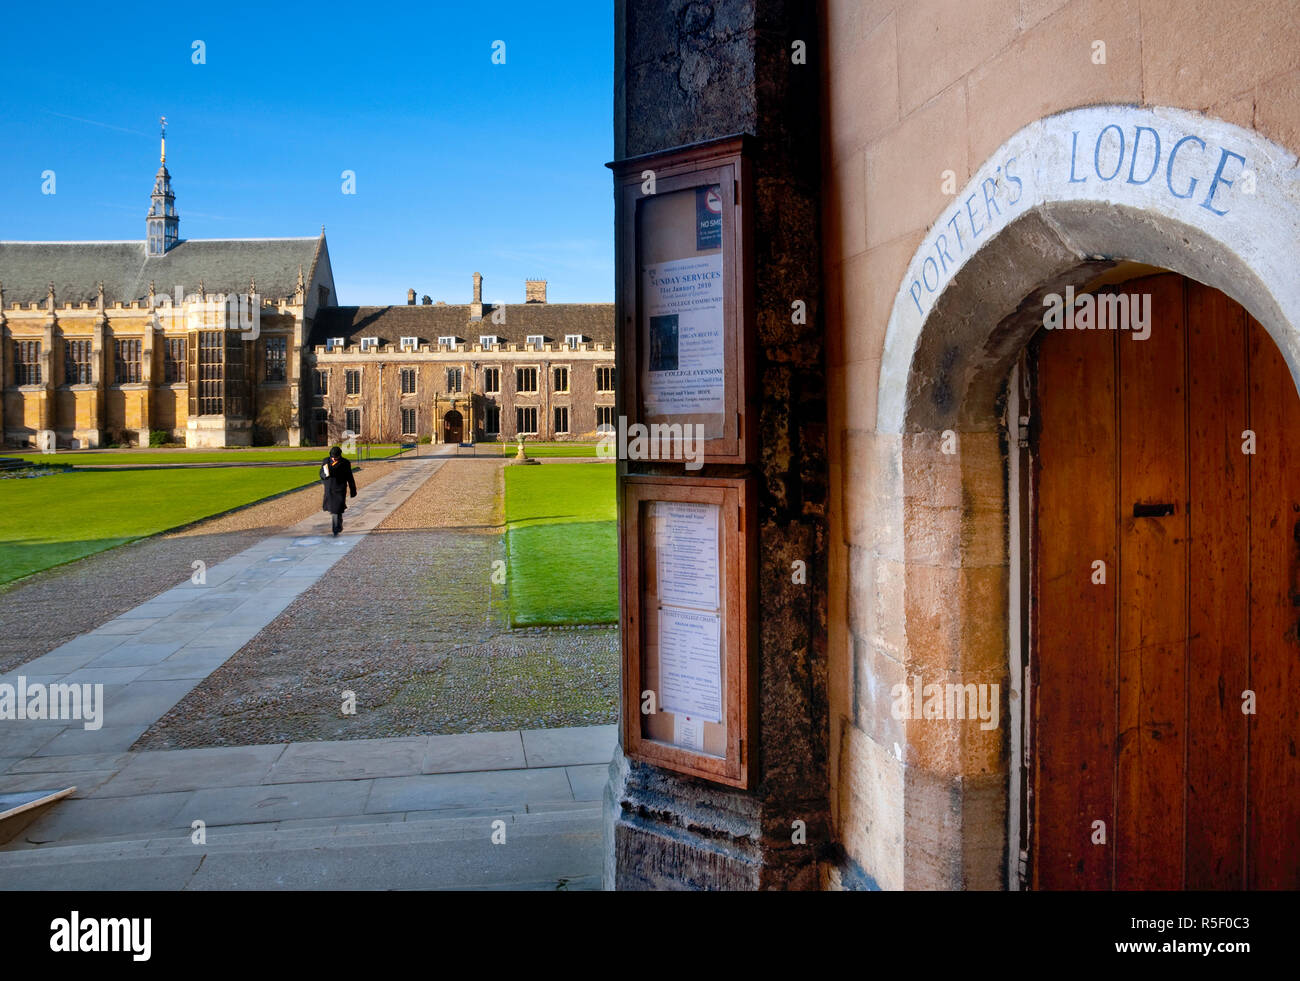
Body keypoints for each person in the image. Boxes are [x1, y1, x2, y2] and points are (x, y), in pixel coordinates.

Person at [320, 445, 357, 535]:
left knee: (336, 509)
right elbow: (321, 473)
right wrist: (325, 475)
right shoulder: (326, 461)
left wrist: (353, 490)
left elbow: (349, 477)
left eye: (336, 457)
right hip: (329, 488)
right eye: (333, 457)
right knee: (334, 509)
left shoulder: (345, 463)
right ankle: (338, 525)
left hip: (340, 489)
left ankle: (336, 529)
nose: (334, 459)